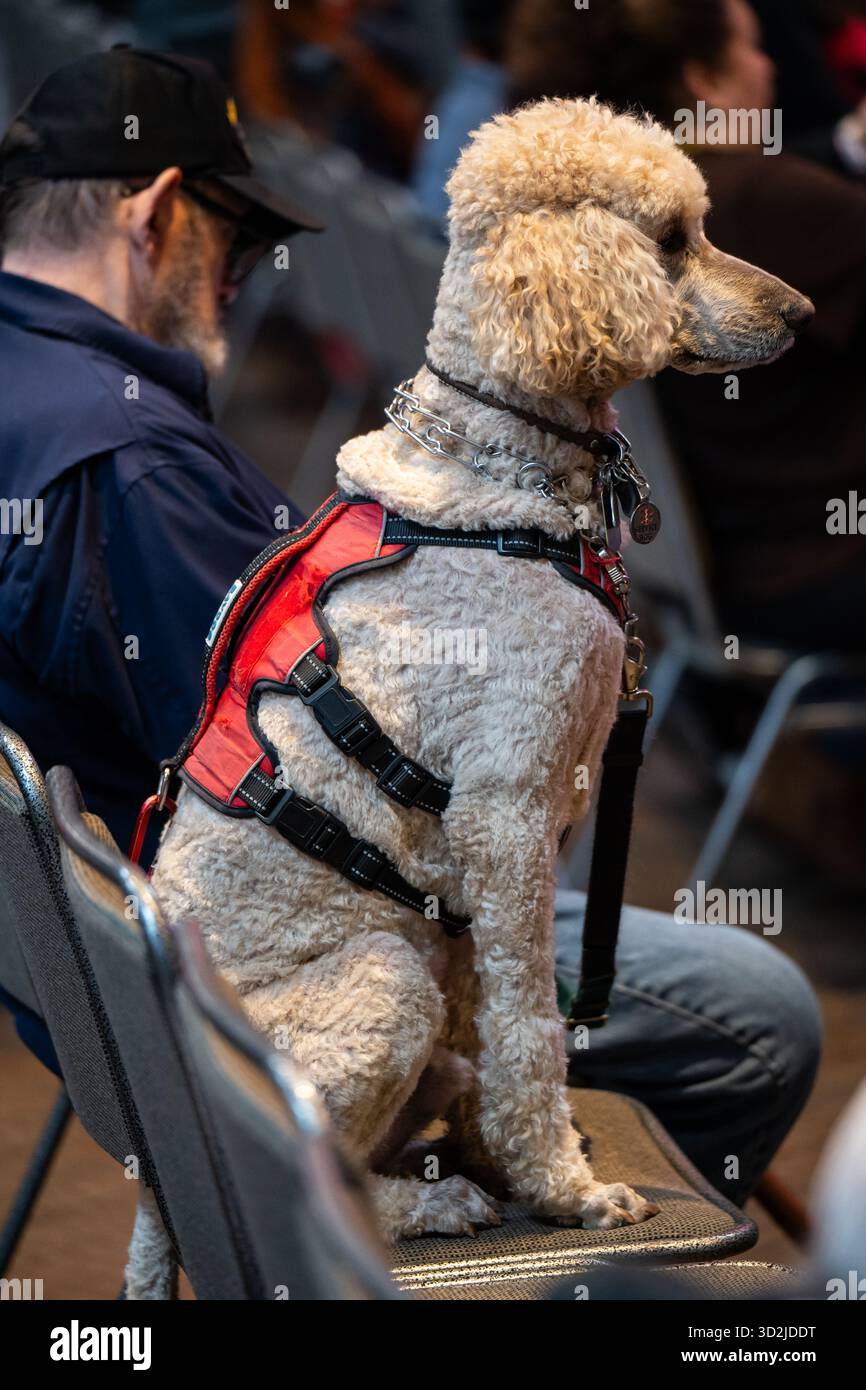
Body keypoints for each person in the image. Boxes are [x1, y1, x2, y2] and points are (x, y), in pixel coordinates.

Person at [0, 47, 321, 854]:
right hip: (223, 953)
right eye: (234, 242)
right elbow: (325, 788)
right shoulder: (136, 464)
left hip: (57, 950)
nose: (234, 282)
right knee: (689, 975)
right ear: (158, 213)